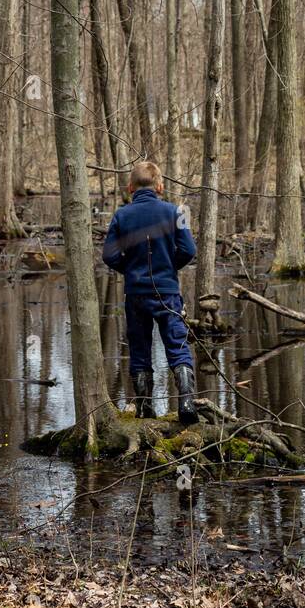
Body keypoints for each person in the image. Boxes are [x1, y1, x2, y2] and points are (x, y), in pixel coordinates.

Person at [102, 160, 198, 423]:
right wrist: (168, 269)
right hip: (167, 292)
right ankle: (187, 403)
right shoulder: (176, 211)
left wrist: (131, 270)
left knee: (140, 349)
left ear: (130, 187)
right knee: (177, 345)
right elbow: (189, 250)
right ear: (160, 186)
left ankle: (145, 409)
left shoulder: (122, 215)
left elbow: (109, 255)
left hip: (136, 295)